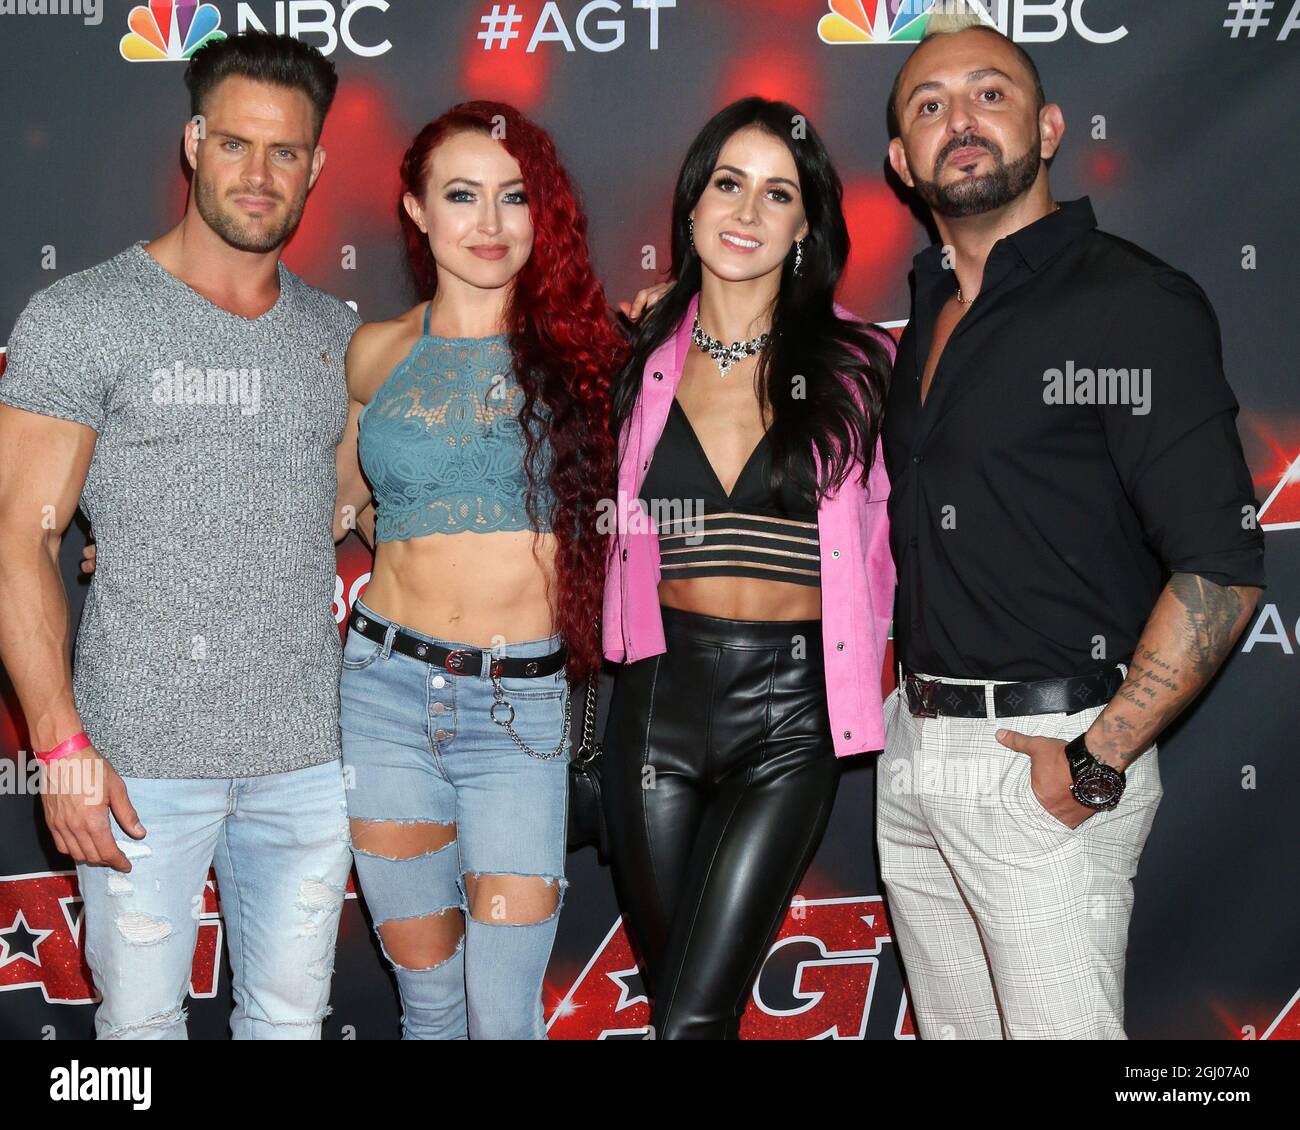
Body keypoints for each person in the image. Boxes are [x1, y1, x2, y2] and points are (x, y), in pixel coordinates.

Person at [878, 13, 1266, 1039]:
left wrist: (1093, 761)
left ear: (1047, 128)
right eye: (928, 105)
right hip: (913, 751)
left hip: (1047, 757)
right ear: (899, 158)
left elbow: (1221, 569)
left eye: (988, 94)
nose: (958, 120)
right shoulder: (923, 311)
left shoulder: (1132, 303)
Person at [0, 33, 358, 1039]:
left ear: (317, 166)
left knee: (289, 1022)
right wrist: (59, 739)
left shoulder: (337, 333)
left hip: (306, 761)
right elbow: (18, 539)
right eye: (236, 143)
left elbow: (347, 513)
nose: (259, 174)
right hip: (135, 760)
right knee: (142, 1030)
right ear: (192, 142)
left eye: (285, 152)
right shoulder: (82, 317)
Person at [603, 97, 895, 1039]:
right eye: (729, 183)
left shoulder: (861, 362)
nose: (746, 211)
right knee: (688, 1010)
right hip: (656, 703)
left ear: (807, 226)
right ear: (692, 205)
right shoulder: (639, 354)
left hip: (790, 716)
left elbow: (902, 535)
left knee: (691, 1016)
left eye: (779, 194)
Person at [331, 101, 623, 1039]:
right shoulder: (376, 352)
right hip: (383, 697)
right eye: (462, 196)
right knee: (428, 1005)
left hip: (521, 716)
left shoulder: (591, 358)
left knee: (503, 1019)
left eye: (514, 198)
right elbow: (341, 509)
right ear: (417, 210)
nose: (490, 225)